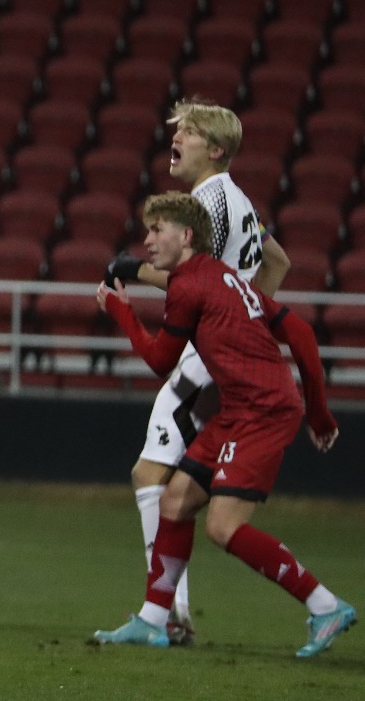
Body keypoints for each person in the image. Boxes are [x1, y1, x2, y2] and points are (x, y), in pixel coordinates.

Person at [92, 192, 352, 658]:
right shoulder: (225, 278)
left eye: (157, 230)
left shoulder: (189, 288)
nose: (148, 240)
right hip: (240, 408)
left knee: (223, 527)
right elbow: (300, 332)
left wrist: (121, 313)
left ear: (186, 235)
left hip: (263, 410)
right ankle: (153, 619)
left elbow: (159, 361)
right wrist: (318, 412)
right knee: (174, 501)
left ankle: (325, 605)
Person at [104, 99, 290, 645]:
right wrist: (251, 322)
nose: (174, 139)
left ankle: (166, 615)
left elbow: (199, 285)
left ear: (215, 149)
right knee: (170, 486)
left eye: (185, 131)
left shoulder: (208, 201)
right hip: (223, 354)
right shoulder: (241, 203)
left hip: (205, 360)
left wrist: (131, 271)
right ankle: (165, 613)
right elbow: (277, 264)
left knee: (151, 477)